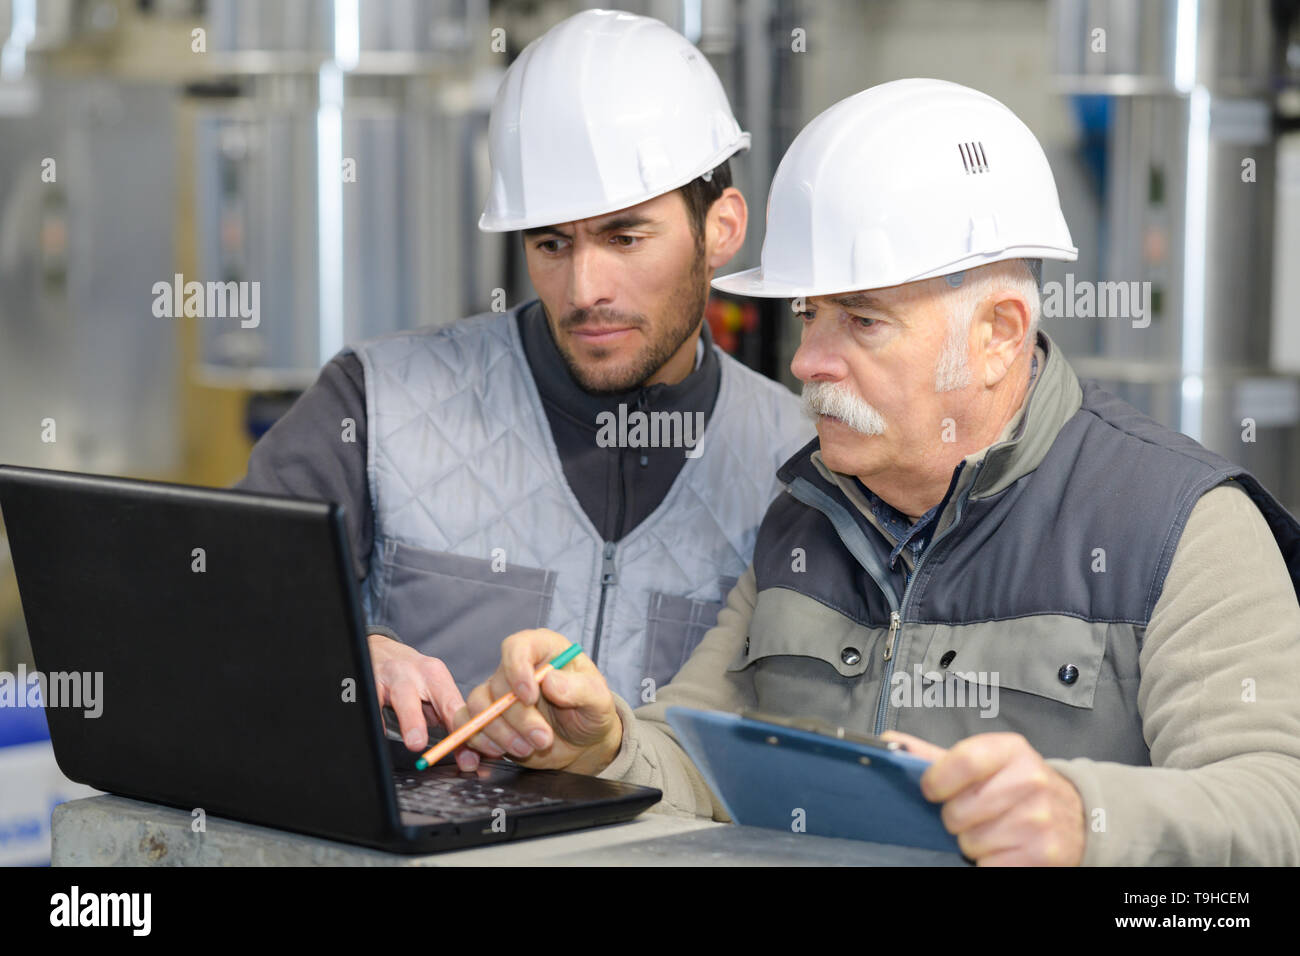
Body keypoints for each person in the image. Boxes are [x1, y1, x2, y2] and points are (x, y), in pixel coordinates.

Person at [452, 78, 1300, 865]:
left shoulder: (1177, 525)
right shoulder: (809, 515)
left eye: (862, 320)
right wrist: (604, 746)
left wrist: (1086, 815)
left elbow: (1276, 805)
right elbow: (697, 756)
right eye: (810, 314)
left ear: (999, 331)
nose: (808, 362)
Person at [235, 9, 809, 771]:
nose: (584, 288)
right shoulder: (379, 403)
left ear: (722, 229)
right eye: (550, 243)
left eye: (625, 236)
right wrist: (339, 648)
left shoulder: (804, 466)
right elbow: (205, 599)